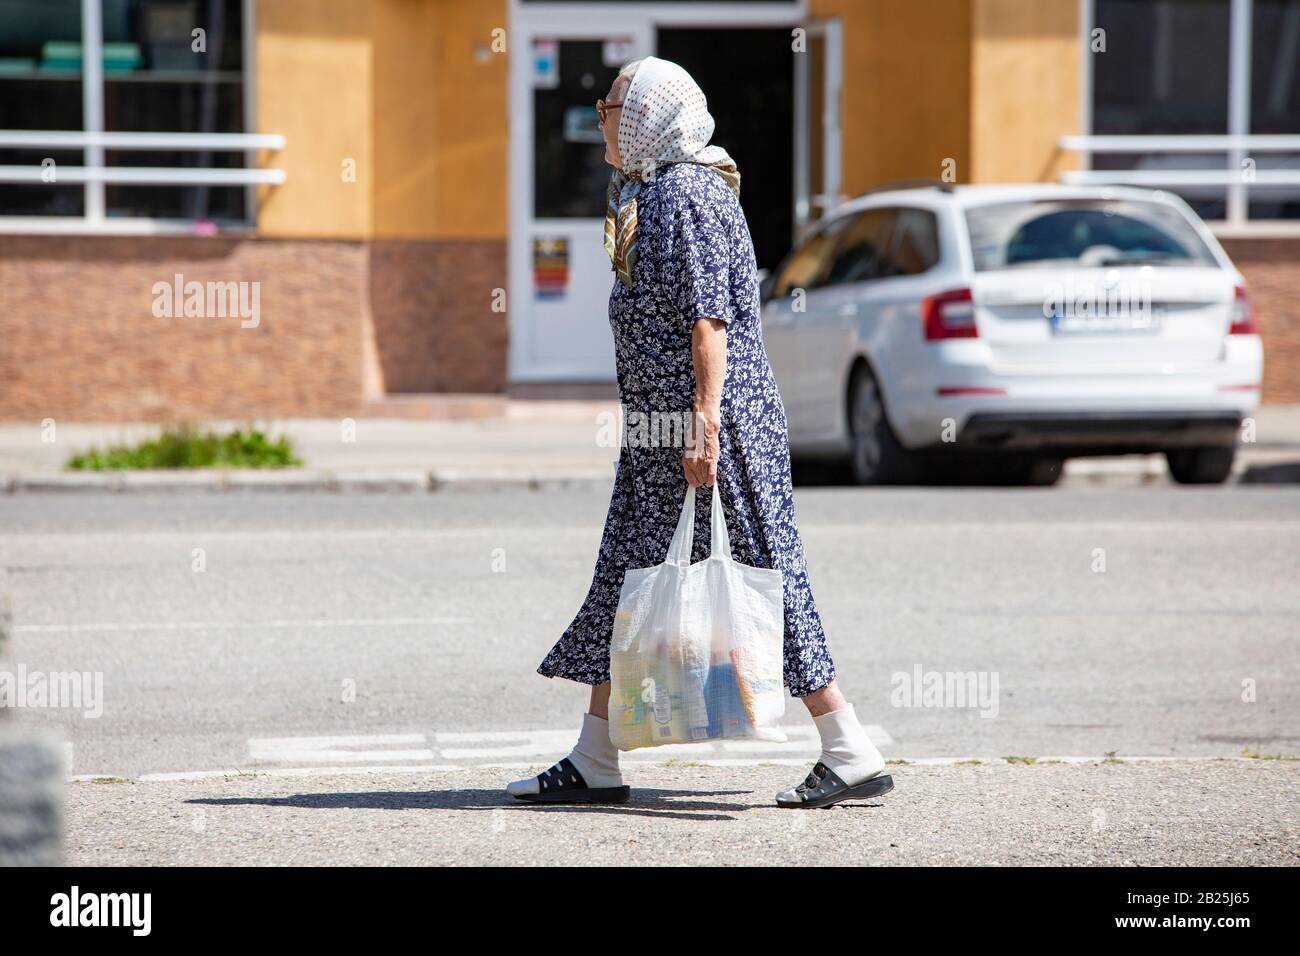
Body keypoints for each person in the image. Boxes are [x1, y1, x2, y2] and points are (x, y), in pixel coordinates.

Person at [506, 56, 893, 809]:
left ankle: (848, 747)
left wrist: (704, 424)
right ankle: (596, 758)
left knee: (763, 575)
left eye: (614, 104)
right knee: (627, 578)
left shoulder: (686, 192)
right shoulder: (647, 191)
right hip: (660, 432)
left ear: (652, 114)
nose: (602, 117)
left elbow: (708, 318)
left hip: (711, 428)